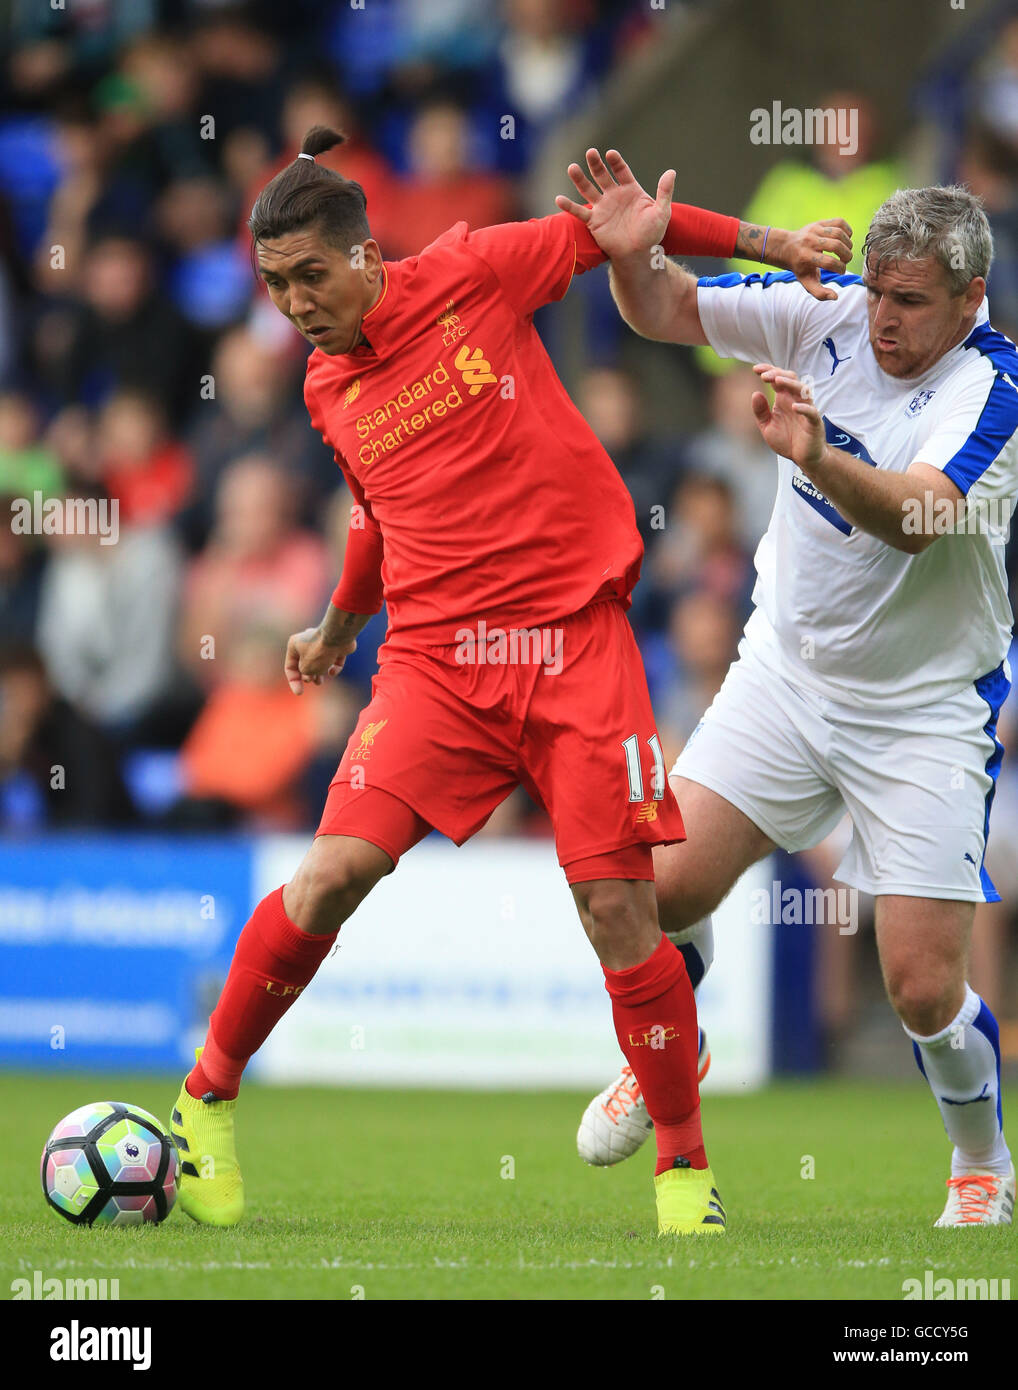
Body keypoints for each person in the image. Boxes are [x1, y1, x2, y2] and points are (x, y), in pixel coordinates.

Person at [169, 126, 846, 1234]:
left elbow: (621, 227)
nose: (293, 302)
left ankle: (684, 1177)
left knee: (618, 909)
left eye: (310, 275)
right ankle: (206, 1100)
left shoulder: (474, 268)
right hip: (436, 663)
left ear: (368, 256)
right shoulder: (325, 387)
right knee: (329, 873)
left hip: (573, 643)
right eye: (274, 284)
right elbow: (377, 510)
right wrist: (342, 624)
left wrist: (773, 241)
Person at [570, 158, 1017, 1229]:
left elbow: (919, 517)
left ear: (970, 299)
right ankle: (676, 1041)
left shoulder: (991, 389)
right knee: (643, 890)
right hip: (785, 675)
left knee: (918, 987)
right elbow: (665, 310)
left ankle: (981, 1162)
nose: (883, 320)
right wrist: (634, 252)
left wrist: (816, 453)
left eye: (910, 302)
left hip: (920, 710)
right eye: (878, 289)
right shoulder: (829, 311)